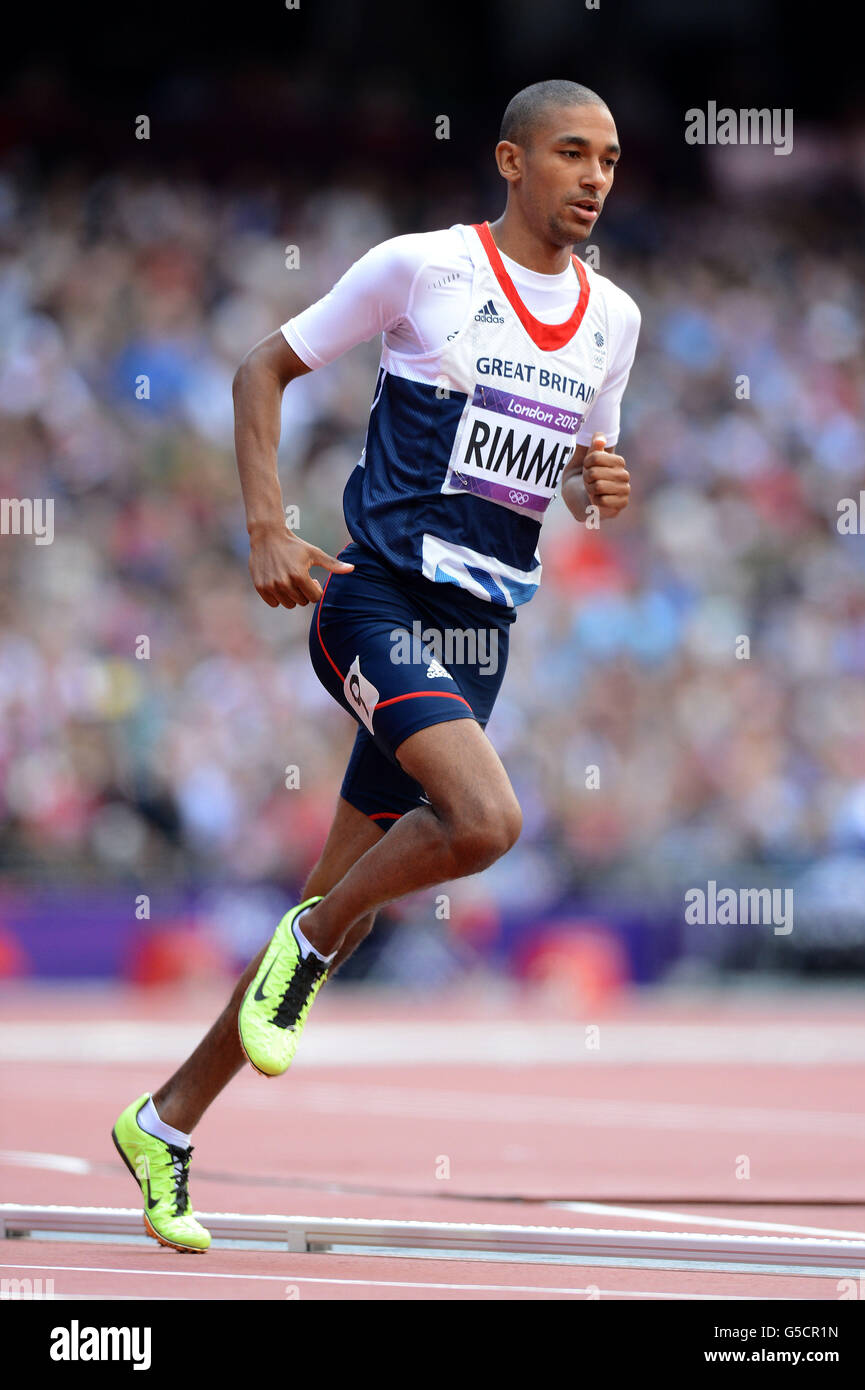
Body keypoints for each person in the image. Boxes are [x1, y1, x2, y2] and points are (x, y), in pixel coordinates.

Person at [112, 78, 641, 1252]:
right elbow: (259, 368)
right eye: (571, 152)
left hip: (481, 633)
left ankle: (165, 1121)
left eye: (609, 159)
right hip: (374, 600)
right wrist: (265, 525)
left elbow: (574, 471)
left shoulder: (615, 318)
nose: (595, 177)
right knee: (486, 821)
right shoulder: (423, 268)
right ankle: (302, 948)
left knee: (339, 904)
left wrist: (595, 483)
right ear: (511, 160)